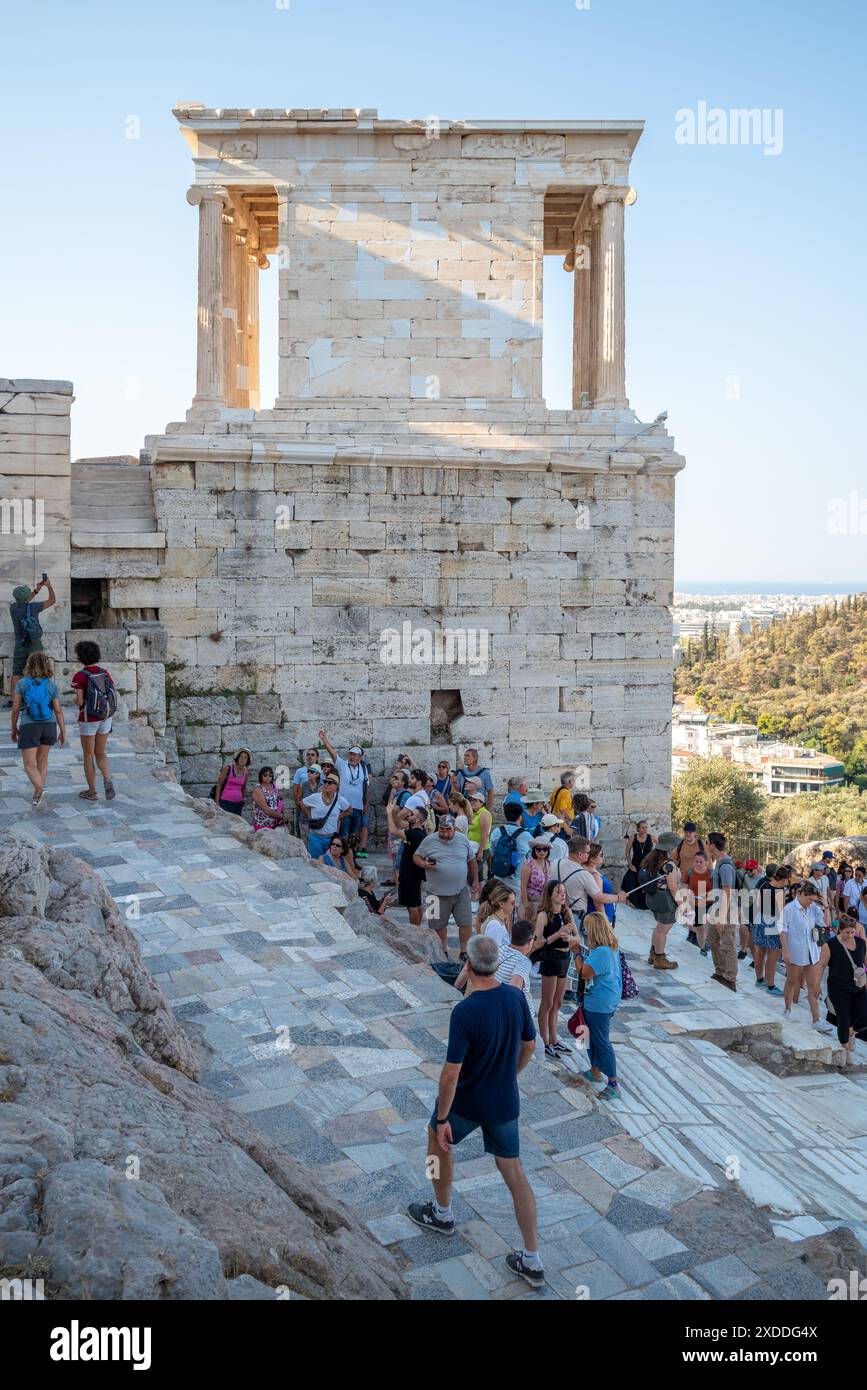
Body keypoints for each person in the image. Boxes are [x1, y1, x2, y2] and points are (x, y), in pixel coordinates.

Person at [407, 935, 542, 1288]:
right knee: (514, 1172)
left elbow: (451, 1073)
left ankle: (442, 1212)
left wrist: (441, 1119)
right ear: (497, 964)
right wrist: (512, 1073)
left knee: (436, 1143)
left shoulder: (465, 1011)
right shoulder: (514, 998)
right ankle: (532, 1258)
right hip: (503, 1101)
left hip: (466, 1101)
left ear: (467, 965)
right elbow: (530, 1044)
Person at [413, 815, 479, 957]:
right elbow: (416, 856)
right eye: (441, 829)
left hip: (460, 891)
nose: (444, 833)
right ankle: (442, 950)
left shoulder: (462, 839)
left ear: (454, 828)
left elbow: (471, 860)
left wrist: (475, 881)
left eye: (448, 830)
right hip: (434, 892)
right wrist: (424, 864)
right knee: (435, 925)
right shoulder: (429, 840)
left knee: (466, 922)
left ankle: (464, 951)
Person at [577, 910, 623, 1102]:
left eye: (586, 929)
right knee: (586, 1035)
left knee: (601, 1041)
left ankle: (613, 1083)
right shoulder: (609, 948)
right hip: (604, 1000)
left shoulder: (602, 952)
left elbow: (584, 973)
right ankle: (595, 1070)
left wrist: (576, 952)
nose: (584, 932)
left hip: (599, 1004)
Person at [532, 879, 581, 1058]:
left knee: (558, 1002)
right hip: (550, 958)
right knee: (547, 1002)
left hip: (564, 958)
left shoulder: (567, 911)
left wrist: (570, 939)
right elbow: (536, 943)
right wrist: (557, 935)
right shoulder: (544, 915)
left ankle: (554, 1039)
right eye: (559, 892)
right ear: (550, 895)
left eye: (564, 891)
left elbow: (578, 939)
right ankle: (544, 1041)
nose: (562, 894)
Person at [10, 651, 65, 808]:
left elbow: (15, 709)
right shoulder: (51, 684)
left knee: (29, 764)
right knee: (42, 760)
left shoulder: (22, 684)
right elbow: (58, 710)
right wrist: (63, 731)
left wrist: (14, 728)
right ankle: (37, 795)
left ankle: (40, 789)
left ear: (29, 665)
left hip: (29, 726)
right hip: (49, 726)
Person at [779, 882, 834, 1032]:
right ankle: (787, 1008)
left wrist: (826, 907)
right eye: (810, 899)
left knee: (813, 985)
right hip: (796, 951)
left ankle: (816, 1019)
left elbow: (826, 924)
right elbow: (782, 930)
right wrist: (785, 951)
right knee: (791, 981)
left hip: (812, 952)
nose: (811, 902)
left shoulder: (814, 908)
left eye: (813, 900)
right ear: (802, 894)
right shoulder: (790, 909)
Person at [71, 640, 117, 802]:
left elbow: (80, 701)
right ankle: (107, 778)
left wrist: (75, 700)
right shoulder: (104, 673)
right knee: (101, 752)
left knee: (88, 755)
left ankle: (92, 791)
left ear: (80, 657)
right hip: (105, 717)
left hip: (88, 718)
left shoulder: (80, 676)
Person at [455, 883, 517, 992]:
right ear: (501, 904)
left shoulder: (499, 921)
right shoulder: (495, 925)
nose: (514, 906)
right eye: (512, 903)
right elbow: (492, 957)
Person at [318, 731, 370, 858]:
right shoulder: (342, 765)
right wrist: (324, 740)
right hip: (345, 807)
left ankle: (351, 856)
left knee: (354, 835)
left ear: (360, 757)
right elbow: (332, 753)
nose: (352, 756)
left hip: (358, 807)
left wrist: (366, 803)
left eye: (355, 755)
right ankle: (340, 855)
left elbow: (365, 786)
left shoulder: (363, 768)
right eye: (351, 754)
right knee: (344, 833)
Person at [819, 916, 867, 1054]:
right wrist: (816, 985)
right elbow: (821, 965)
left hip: (858, 985)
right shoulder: (830, 945)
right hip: (838, 987)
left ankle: (852, 1032)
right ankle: (845, 1051)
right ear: (840, 930)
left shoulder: (861, 943)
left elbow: (865, 963)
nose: (850, 935)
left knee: (864, 1016)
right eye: (847, 932)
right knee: (844, 1018)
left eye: (853, 932)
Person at [552, 835, 623, 927]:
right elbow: (599, 898)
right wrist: (618, 897)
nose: (589, 855)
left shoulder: (556, 862)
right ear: (580, 854)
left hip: (555, 910)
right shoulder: (584, 874)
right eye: (588, 852)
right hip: (574, 916)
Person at [637, 834, 682, 970]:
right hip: (665, 900)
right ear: (671, 848)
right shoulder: (669, 864)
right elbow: (673, 888)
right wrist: (682, 905)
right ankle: (660, 958)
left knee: (658, 928)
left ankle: (653, 954)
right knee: (663, 930)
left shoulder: (653, 859)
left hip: (653, 897)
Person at [705, 831, 740, 991]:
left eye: (707, 842)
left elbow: (727, 892)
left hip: (726, 910)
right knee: (712, 938)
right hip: (717, 907)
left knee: (728, 943)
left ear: (712, 845)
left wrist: (721, 918)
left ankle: (730, 978)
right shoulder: (718, 862)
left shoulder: (725, 865)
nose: (705, 845)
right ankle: (720, 971)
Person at [8, 577, 56, 694]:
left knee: (17, 672)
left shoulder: (13, 608)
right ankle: (40, 695)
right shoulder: (34, 607)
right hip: (34, 643)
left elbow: (24, 601)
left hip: (20, 644)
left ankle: (14, 699)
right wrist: (48, 586)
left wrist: (36, 591)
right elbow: (52, 600)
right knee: (39, 668)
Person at [752, 865, 788, 995]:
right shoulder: (780, 892)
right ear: (783, 879)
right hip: (772, 922)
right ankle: (771, 986)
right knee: (772, 956)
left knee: (760, 953)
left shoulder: (764, 884)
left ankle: (759, 979)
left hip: (760, 919)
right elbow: (781, 912)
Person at [391, 803, 427, 927]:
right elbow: (400, 824)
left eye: (412, 814)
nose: (409, 814)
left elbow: (393, 830)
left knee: (411, 905)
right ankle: (418, 928)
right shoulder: (421, 832)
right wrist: (394, 814)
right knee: (417, 902)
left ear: (417, 819)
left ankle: (415, 930)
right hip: (416, 872)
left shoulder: (413, 834)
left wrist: (388, 813)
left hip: (409, 873)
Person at [302, 772, 351, 857]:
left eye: (330, 783)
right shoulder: (315, 797)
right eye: (325, 782)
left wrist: (338, 817)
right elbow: (302, 803)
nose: (326, 784)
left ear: (336, 787)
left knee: (329, 865)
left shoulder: (340, 800)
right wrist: (310, 815)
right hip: (315, 838)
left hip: (331, 840)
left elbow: (349, 810)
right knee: (315, 864)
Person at [488, 802, 530, 895]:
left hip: (499, 875)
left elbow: (491, 853)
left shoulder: (496, 832)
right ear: (520, 817)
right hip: (516, 878)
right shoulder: (526, 835)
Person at [495, 918, 536, 1009]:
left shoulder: (502, 949)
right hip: (519, 1015)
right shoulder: (523, 962)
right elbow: (513, 991)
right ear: (530, 941)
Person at [621, 819, 654, 908]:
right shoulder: (633, 837)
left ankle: (646, 903)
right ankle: (632, 901)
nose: (645, 829)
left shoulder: (651, 837)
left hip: (647, 866)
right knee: (628, 879)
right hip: (635, 865)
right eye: (643, 828)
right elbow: (627, 851)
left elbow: (661, 845)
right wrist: (630, 865)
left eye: (646, 828)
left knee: (646, 883)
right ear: (638, 829)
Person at [687, 850, 713, 954]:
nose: (698, 864)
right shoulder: (690, 872)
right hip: (696, 903)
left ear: (706, 862)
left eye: (700, 862)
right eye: (696, 861)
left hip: (709, 902)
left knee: (707, 923)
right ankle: (702, 947)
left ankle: (706, 944)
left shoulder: (712, 873)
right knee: (699, 927)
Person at [213, 749, 251, 816]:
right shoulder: (228, 769)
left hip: (238, 804)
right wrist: (217, 802)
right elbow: (219, 785)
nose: (242, 759)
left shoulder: (246, 773)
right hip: (225, 802)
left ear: (247, 761)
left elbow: (243, 787)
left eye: (245, 758)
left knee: (237, 825)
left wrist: (243, 799)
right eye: (241, 756)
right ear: (237, 758)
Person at [519, 838, 550, 920]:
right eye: (538, 849)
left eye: (544, 849)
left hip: (543, 904)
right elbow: (523, 886)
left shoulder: (549, 864)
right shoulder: (529, 864)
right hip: (530, 902)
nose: (542, 852)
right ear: (534, 850)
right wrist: (526, 906)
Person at [739, 859, 764, 960]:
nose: (748, 872)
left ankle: (756, 958)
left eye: (750, 870)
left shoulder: (762, 879)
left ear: (756, 869)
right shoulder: (744, 876)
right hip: (745, 905)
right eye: (747, 870)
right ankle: (743, 949)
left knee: (753, 932)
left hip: (757, 907)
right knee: (743, 928)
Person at [466, 787, 492, 881]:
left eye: (475, 800)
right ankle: (481, 894)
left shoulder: (484, 814)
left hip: (480, 849)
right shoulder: (474, 813)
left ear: (482, 803)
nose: (472, 802)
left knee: (471, 876)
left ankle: (474, 894)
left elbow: (485, 834)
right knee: (479, 877)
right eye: (471, 800)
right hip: (473, 848)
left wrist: (480, 852)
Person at [292, 761, 322, 839]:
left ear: (317, 774)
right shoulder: (303, 785)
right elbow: (298, 800)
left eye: (312, 772)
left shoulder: (321, 787)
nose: (309, 773)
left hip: (316, 820)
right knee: (304, 842)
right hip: (304, 819)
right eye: (308, 771)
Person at [252, 766, 287, 832]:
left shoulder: (274, 787)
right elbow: (266, 810)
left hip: (276, 823)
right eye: (265, 775)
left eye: (270, 775)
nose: (268, 777)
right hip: (263, 824)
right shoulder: (258, 789)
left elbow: (279, 802)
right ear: (261, 776)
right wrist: (281, 816)